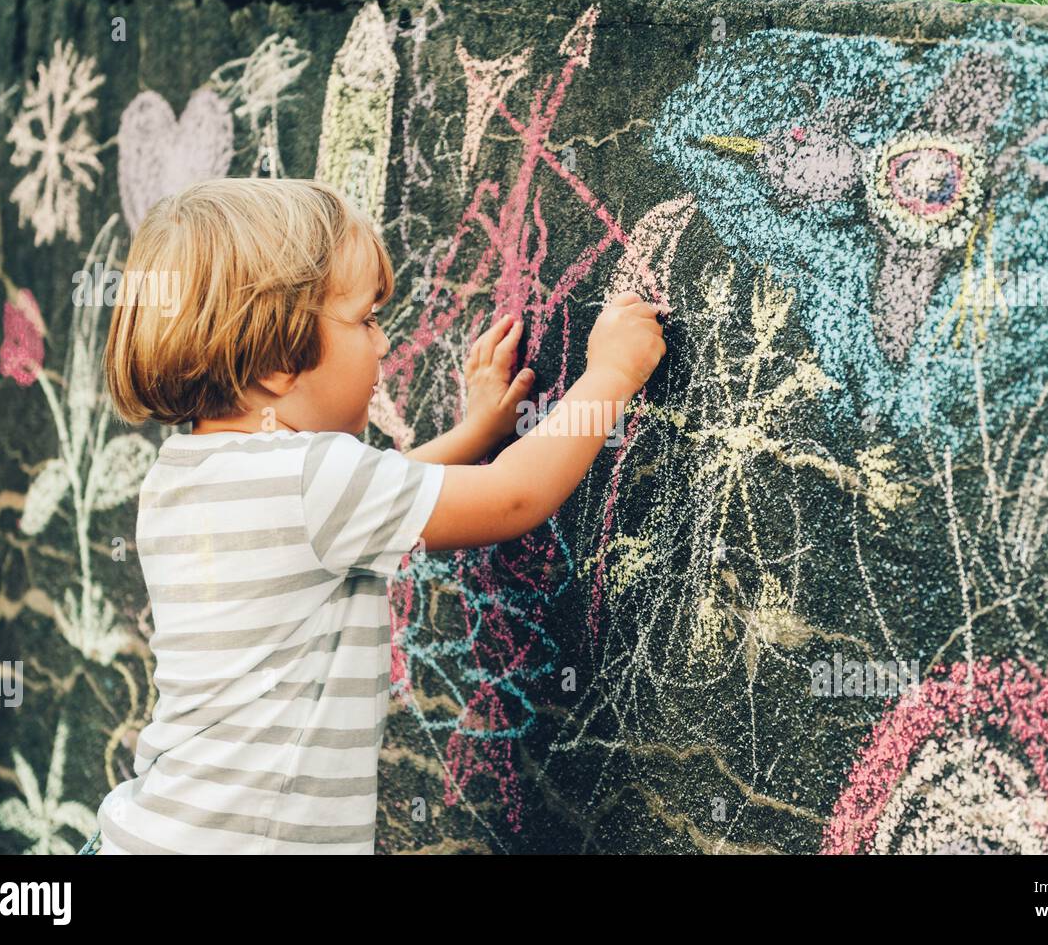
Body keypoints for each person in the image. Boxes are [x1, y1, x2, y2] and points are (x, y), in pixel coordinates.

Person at [93, 177, 665, 853]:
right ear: (278, 360)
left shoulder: (183, 475)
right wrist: (609, 376)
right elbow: (515, 497)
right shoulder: (310, 479)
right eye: (365, 319)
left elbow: (360, 503)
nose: (383, 343)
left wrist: (479, 430)